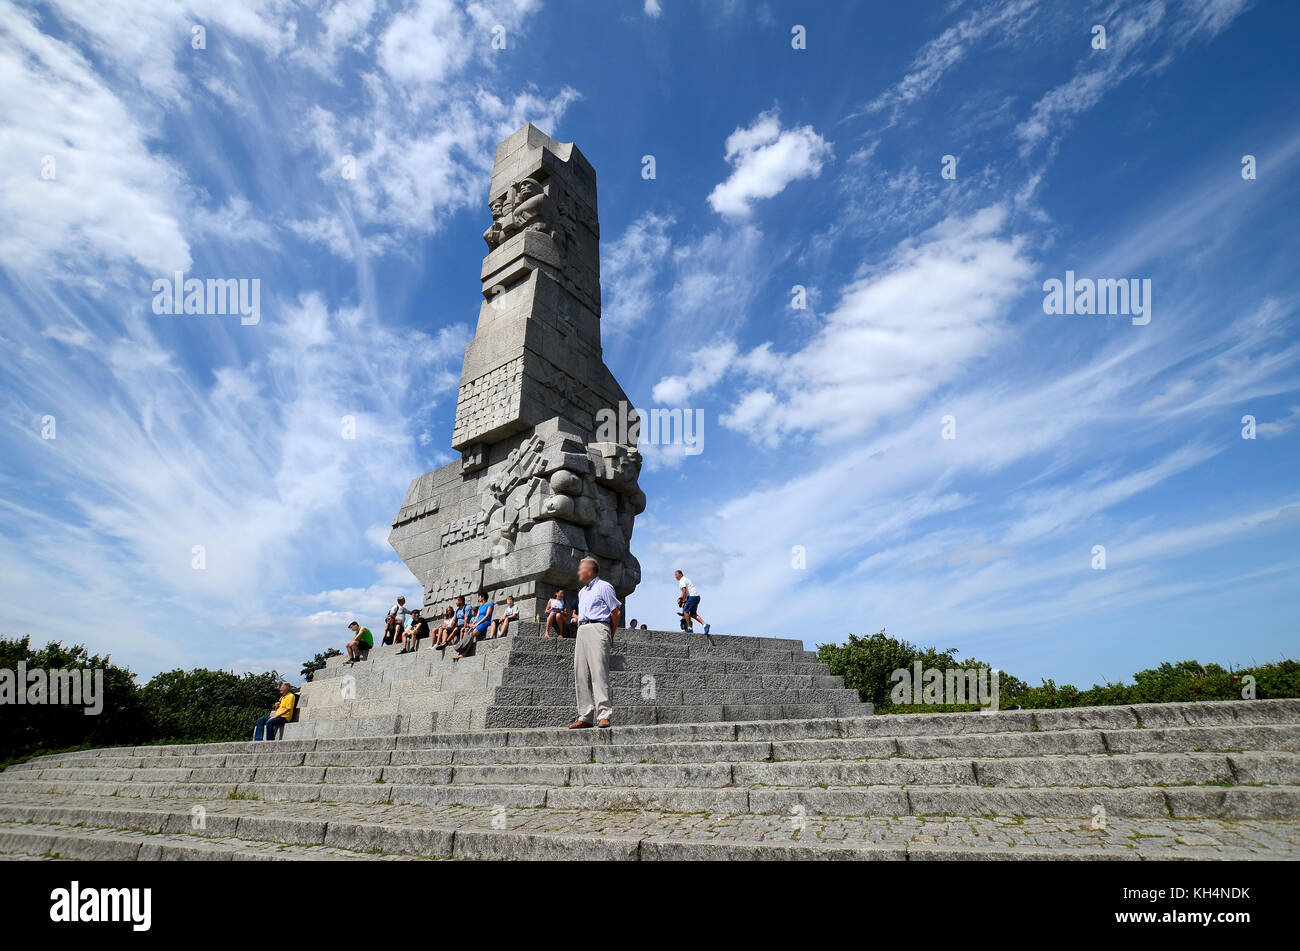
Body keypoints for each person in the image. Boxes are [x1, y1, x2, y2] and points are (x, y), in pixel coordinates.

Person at [569, 557, 621, 729]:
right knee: (581, 673)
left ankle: (604, 714)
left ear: (589, 571)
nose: (578, 572)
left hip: (599, 627)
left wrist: (610, 635)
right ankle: (585, 715)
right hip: (582, 629)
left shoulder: (604, 586)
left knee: (599, 672)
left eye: (580, 569)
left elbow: (615, 612)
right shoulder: (582, 592)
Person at [452, 591, 493, 661]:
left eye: (479, 597)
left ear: (483, 597)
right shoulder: (480, 607)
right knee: (467, 631)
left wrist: (476, 624)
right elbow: (477, 617)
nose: (478, 598)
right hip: (478, 622)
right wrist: (472, 625)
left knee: (472, 634)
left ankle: (464, 654)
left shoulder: (490, 604)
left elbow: (487, 616)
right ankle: (461, 650)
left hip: (485, 622)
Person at [674, 569, 710, 634]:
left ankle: (690, 628)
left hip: (692, 597)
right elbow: (684, 593)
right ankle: (705, 625)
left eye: (676, 575)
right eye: (675, 575)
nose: (675, 577)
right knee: (693, 614)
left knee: (685, 610)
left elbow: (684, 591)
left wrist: (684, 601)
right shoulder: (685, 579)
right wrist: (681, 598)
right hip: (696, 597)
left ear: (681, 574)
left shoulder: (682, 580)